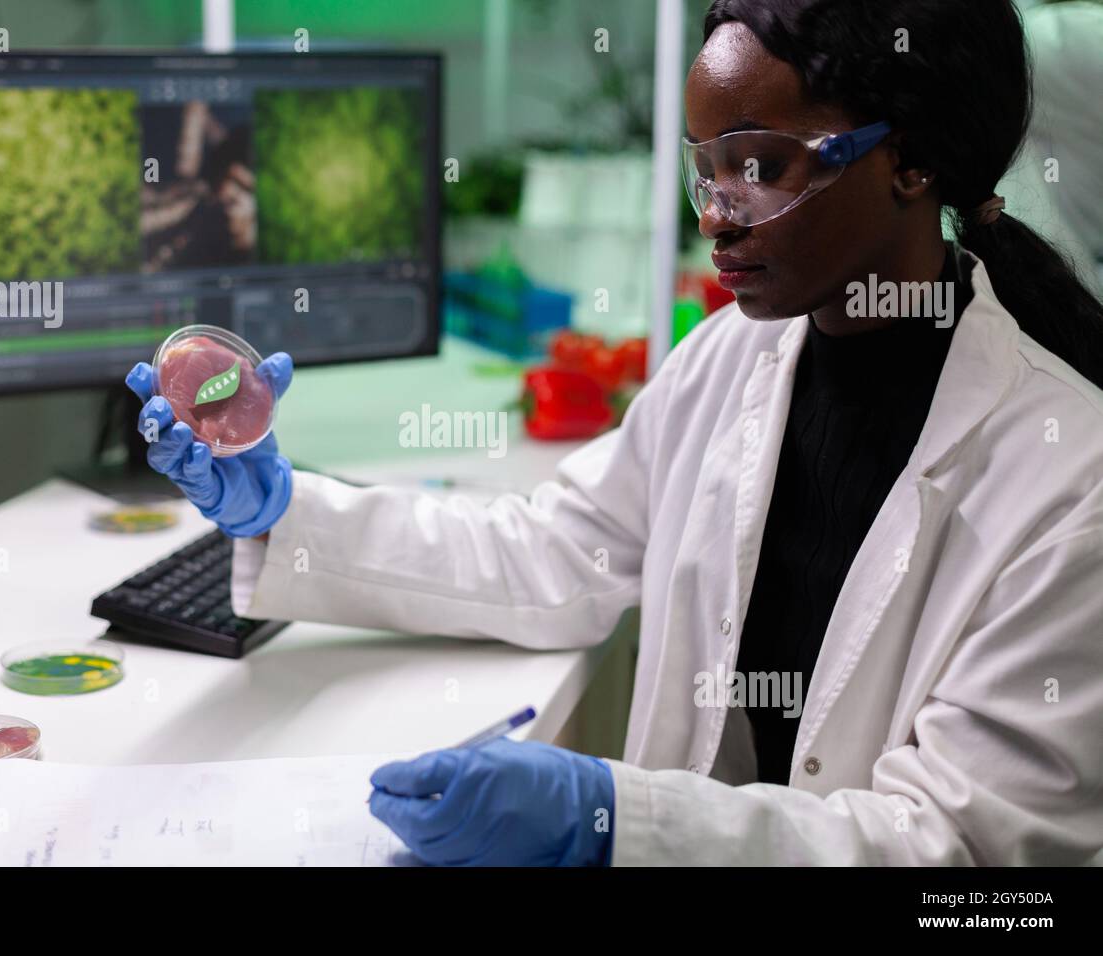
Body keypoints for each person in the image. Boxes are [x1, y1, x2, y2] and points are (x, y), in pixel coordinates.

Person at [125, 0, 1103, 866]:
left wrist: (617, 821)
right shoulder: (730, 360)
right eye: (705, 170)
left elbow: (960, 853)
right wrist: (291, 510)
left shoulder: (1069, 478)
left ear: (911, 161)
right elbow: (557, 548)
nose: (717, 218)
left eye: (759, 167)